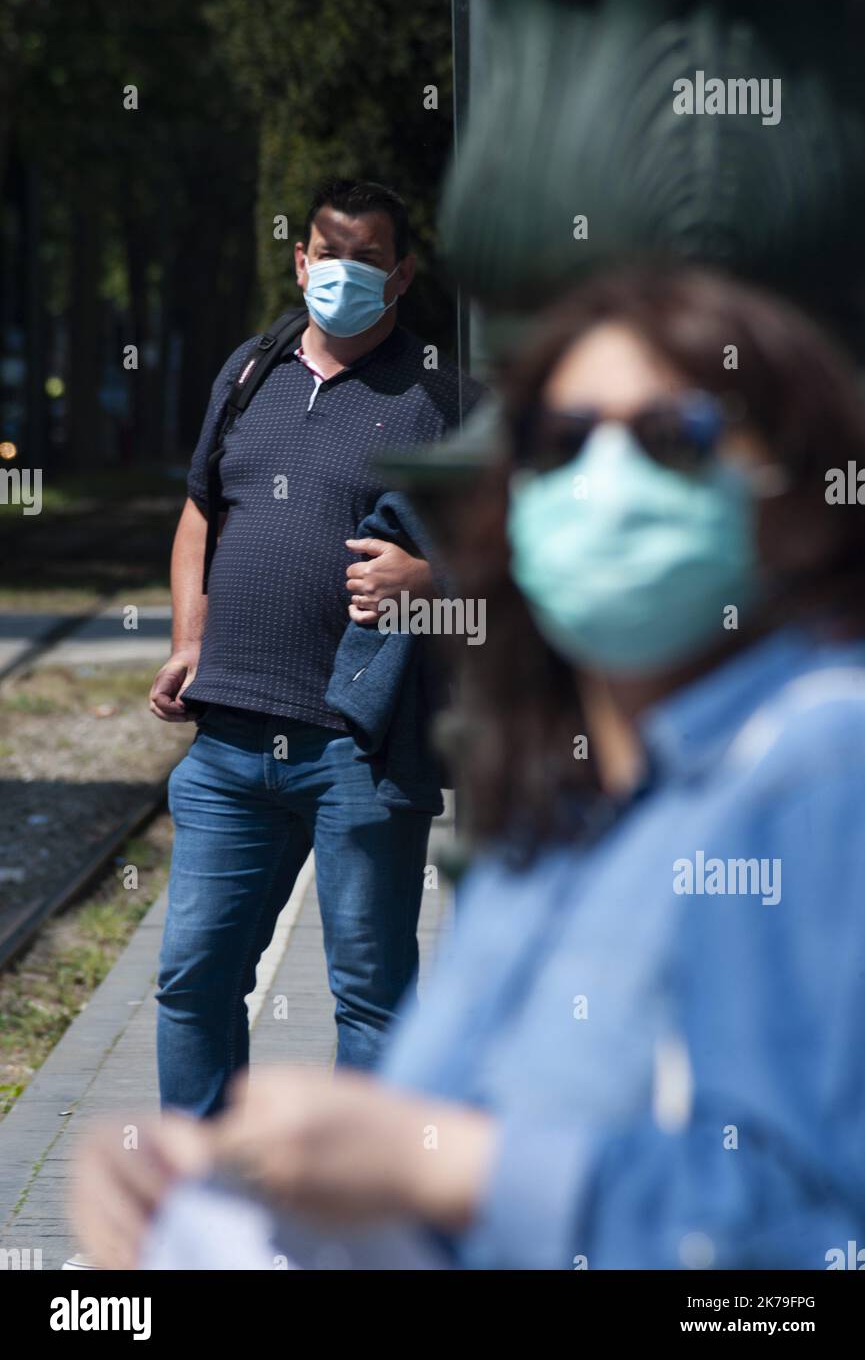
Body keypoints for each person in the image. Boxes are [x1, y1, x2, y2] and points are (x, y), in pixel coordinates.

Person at [77, 266, 865, 1269]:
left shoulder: (822, 769)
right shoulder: (555, 809)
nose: (605, 482)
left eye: (671, 438)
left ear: (792, 488)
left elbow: (819, 1241)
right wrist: (223, 1206)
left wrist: (444, 1164)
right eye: (559, 443)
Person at [148, 177, 485, 1116]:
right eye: (326, 255)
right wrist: (188, 638)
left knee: (372, 1000)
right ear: (300, 260)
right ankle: (203, 1208)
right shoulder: (249, 371)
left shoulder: (445, 399)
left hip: (360, 752)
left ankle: (363, 1236)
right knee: (192, 981)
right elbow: (197, 515)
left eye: (367, 259)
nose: (342, 273)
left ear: (402, 272)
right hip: (226, 746)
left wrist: (430, 580)